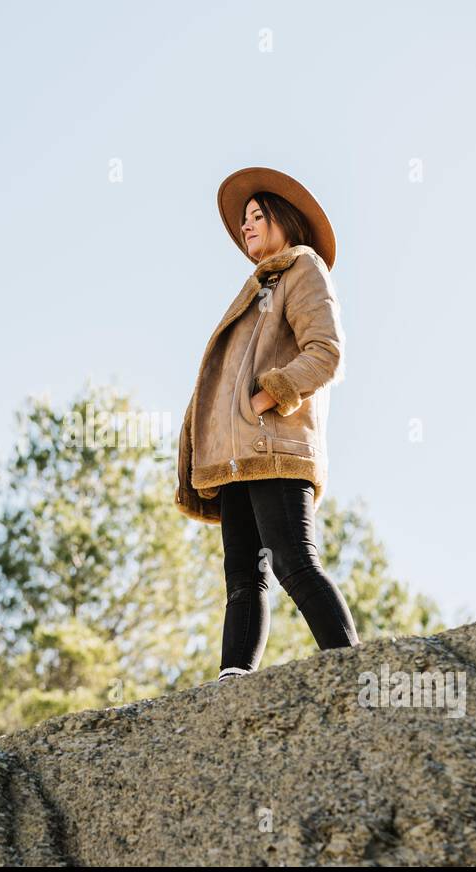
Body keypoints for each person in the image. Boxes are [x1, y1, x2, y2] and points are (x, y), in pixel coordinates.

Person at [174, 166, 361, 684]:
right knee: (243, 576)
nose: (246, 227)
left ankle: (351, 666)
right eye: (243, 221)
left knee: (294, 561)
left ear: (284, 220)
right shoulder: (258, 286)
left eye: (257, 216)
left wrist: (266, 397)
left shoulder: (304, 268)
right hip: (235, 455)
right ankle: (235, 678)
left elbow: (325, 353)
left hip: (273, 441)